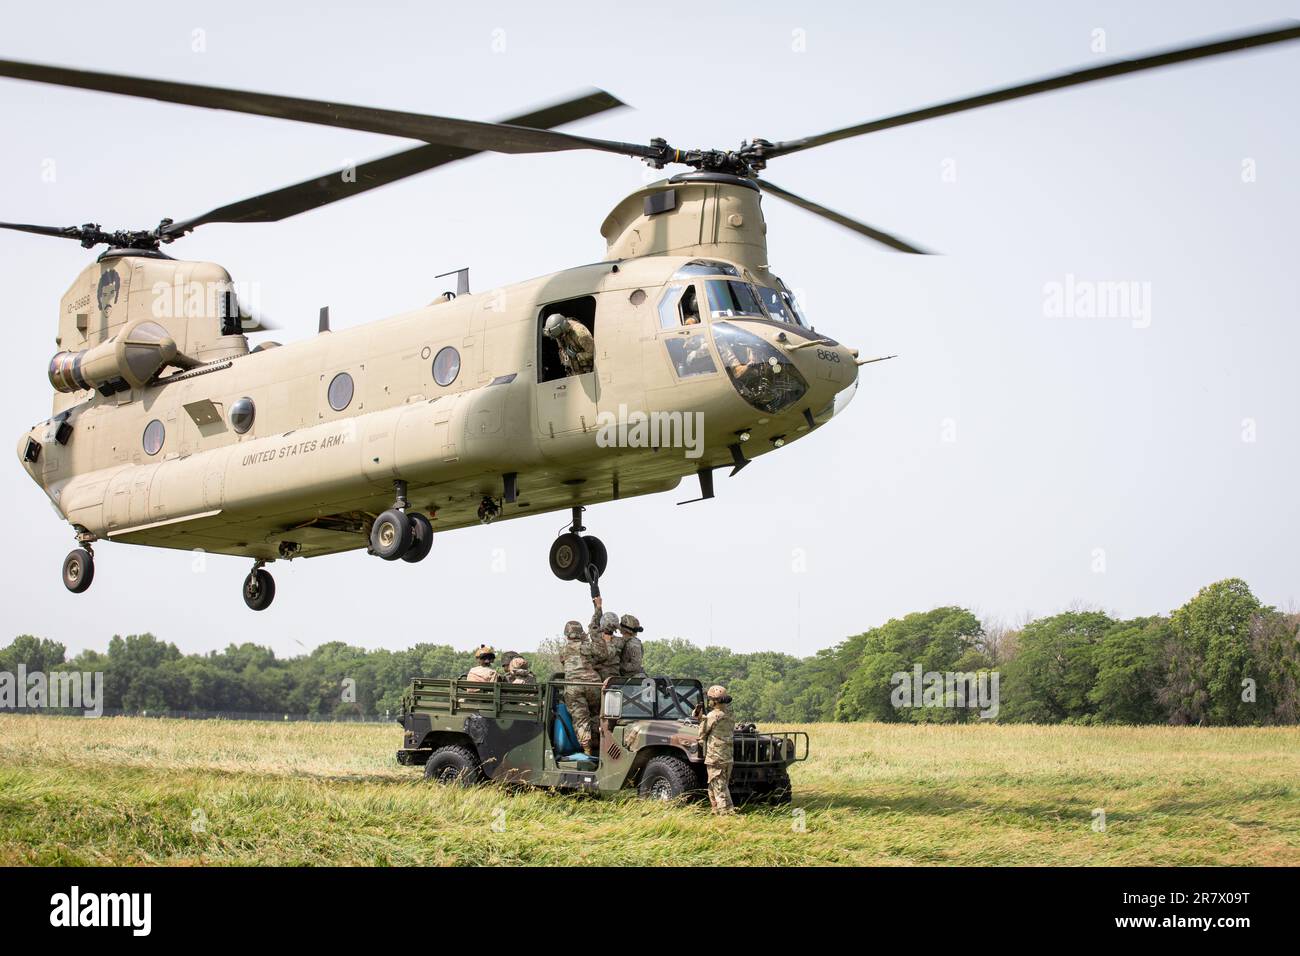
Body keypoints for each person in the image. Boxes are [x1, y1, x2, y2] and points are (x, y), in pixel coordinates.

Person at [563, 599, 610, 756]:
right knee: (597, 714)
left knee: (581, 719)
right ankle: (600, 746)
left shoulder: (564, 650)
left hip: (574, 687)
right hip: (594, 685)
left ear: (567, 634)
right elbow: (602, 655)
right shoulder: (587, 646)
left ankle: (588, 751)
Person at [698, 684, 737, 815]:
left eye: (710, 699)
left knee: (719, 789)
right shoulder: (730, 715)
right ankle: (715, 810)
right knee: (717, 786)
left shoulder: (712, 716)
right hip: (727, 757)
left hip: (715, 757)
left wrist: (701, 720)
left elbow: (702, 734)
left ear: (714, 701)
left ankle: (725, 814)